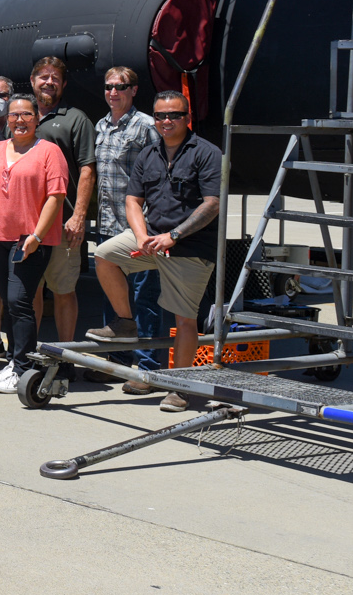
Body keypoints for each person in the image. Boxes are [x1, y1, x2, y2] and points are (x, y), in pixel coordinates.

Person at [92, 90, 222, 411]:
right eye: (161, 115)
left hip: (190, 247)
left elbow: (212, 204)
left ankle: (179, 387)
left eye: (174, 115)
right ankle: (125, 321)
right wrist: (140, 236)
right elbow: (133, 200)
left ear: (186, 117)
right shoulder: (149, 154)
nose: (166, 121)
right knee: (105, 255)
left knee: (184, 319)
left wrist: (174, 236)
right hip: (151, 241)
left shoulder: (207, 153)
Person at [0, 95, 69, 395]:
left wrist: (37, 236)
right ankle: (15, 360)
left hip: (30, 241)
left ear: (37, 118)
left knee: (19, 302)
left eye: (26, 114)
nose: (20, 120)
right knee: (9, 303)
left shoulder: (49, 152)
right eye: (14, 115)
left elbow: (56, 196)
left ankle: (25, 368)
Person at [83, 66, 165, 386]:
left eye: (121, 86)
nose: (113, 92)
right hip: (108, 223)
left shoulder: (146, 126)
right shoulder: (100, 126)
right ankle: (116, 360)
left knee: (145, 297)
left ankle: (147, 367)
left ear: (134, 90)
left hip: (137, 226)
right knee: (113, 298)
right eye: (108, 86)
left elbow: (160, 176)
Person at [29, 56, 97, 348]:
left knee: (63, 290)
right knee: (30, 291)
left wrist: (79, 216)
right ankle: (26, 351)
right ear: (32, 82)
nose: (49, 82)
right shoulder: (22, 116)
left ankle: (66, 353)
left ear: (64, 84)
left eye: (55, 78)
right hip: (27, 223)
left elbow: (87, 169)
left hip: (63, 224)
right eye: (43, 77)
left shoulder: (75, 119)